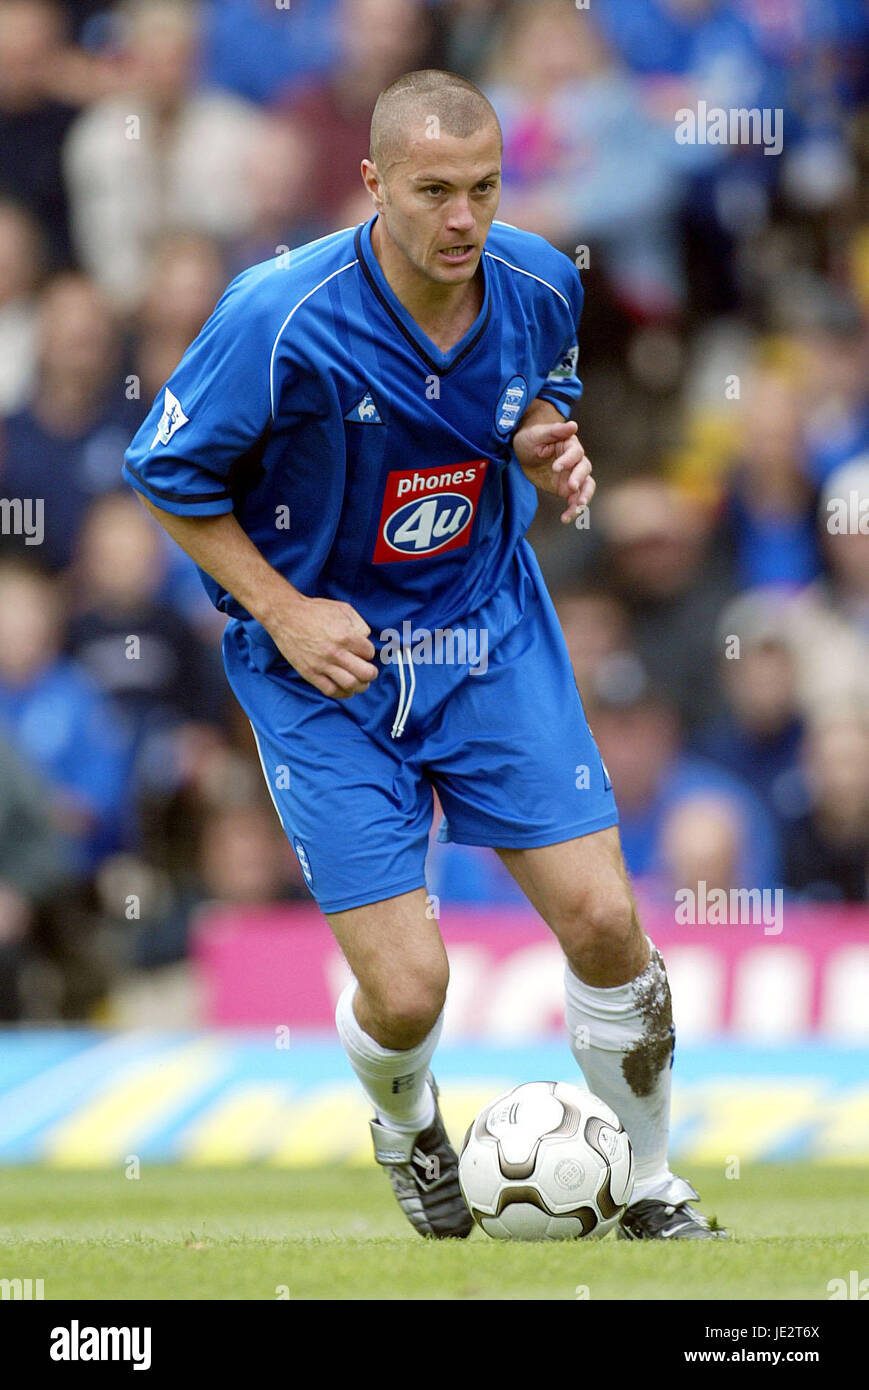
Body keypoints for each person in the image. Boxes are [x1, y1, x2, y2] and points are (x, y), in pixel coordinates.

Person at [124, 69, 725, 1241]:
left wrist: (546, 445)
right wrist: (285, 609)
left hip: (486, 630)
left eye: (485, 189)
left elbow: (532, 397)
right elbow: (165, 474)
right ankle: (404, 1124)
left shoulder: (541, 282)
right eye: (434, 191)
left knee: (606, 920)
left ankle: (650, 1183)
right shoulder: (277, 314)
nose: (463, 219)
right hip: (325, 666)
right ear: (372, 185)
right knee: (407, 994)